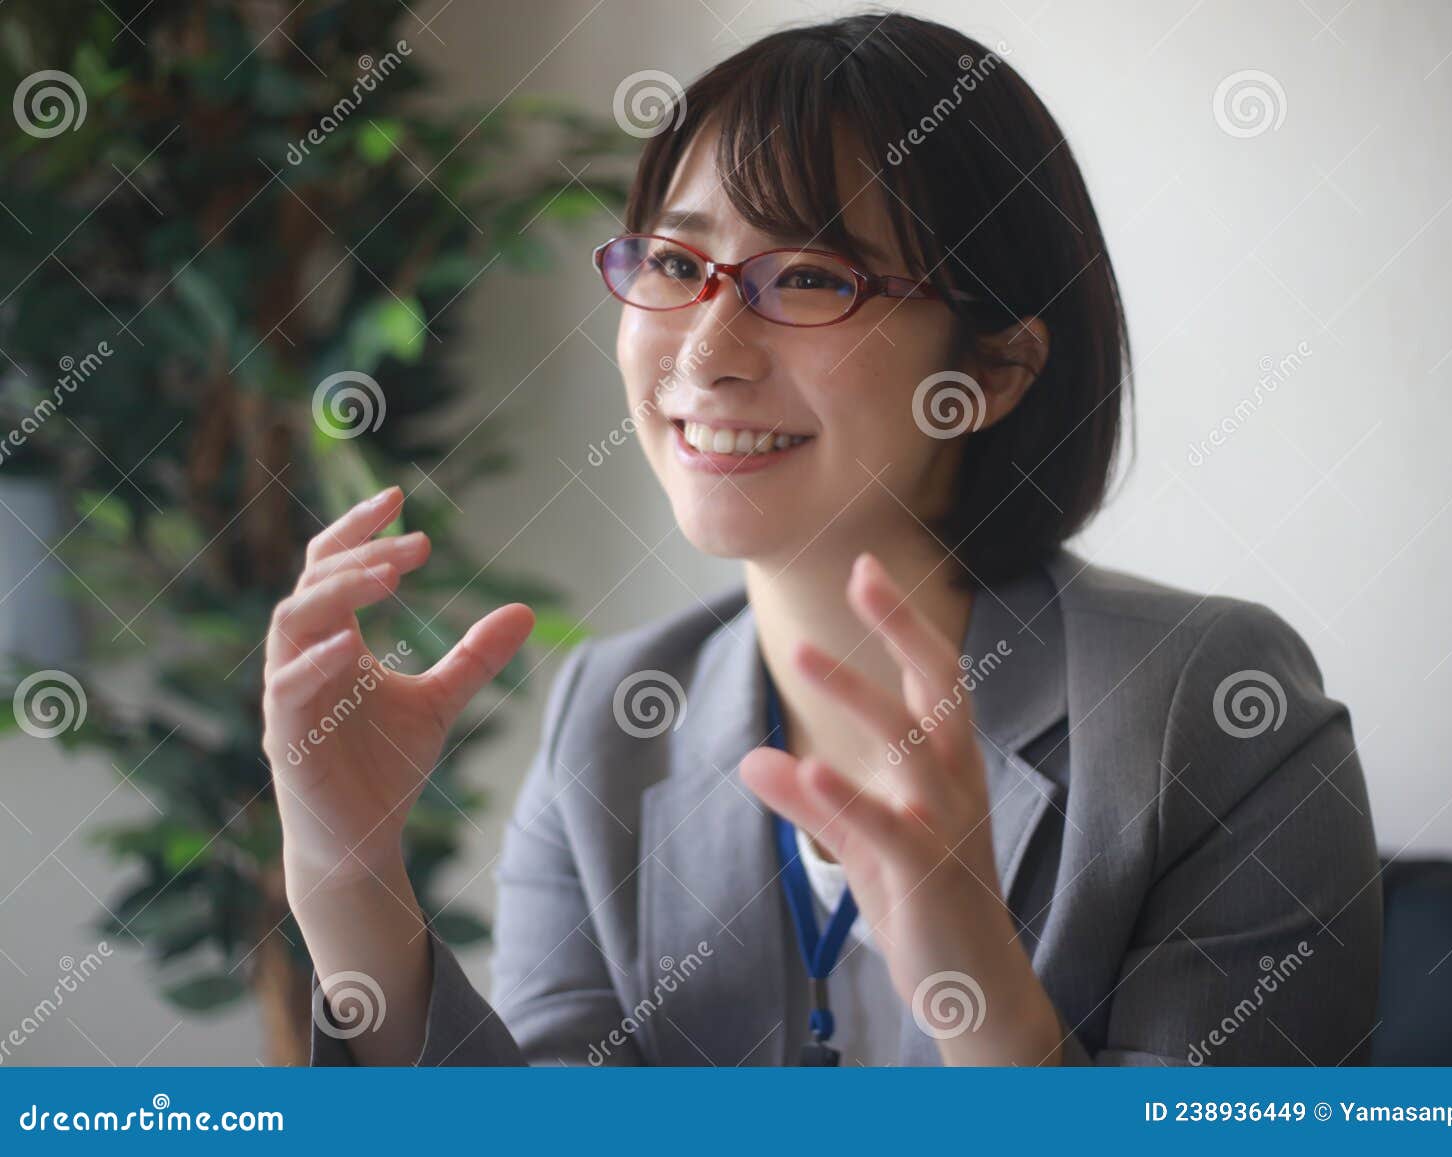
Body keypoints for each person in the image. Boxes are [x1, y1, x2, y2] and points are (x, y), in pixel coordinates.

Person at [262, 10, 1381, 1067]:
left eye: (806, 277)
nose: (703, 354)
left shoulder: (1215, 708)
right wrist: (348, 874)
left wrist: (979, 990)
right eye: (672, 261)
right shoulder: (611, 714)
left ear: (993, 368)